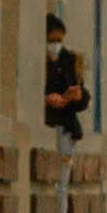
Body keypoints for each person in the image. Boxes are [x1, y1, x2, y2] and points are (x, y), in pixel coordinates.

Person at [45, 11, 90, 146]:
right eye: (51, 40)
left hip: (66, 127)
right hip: (46, 122)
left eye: (59, 40)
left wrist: (78, 95)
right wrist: (46, 99)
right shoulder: (36, 62)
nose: (55, 45)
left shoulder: (70, 61)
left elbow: (82, 95)